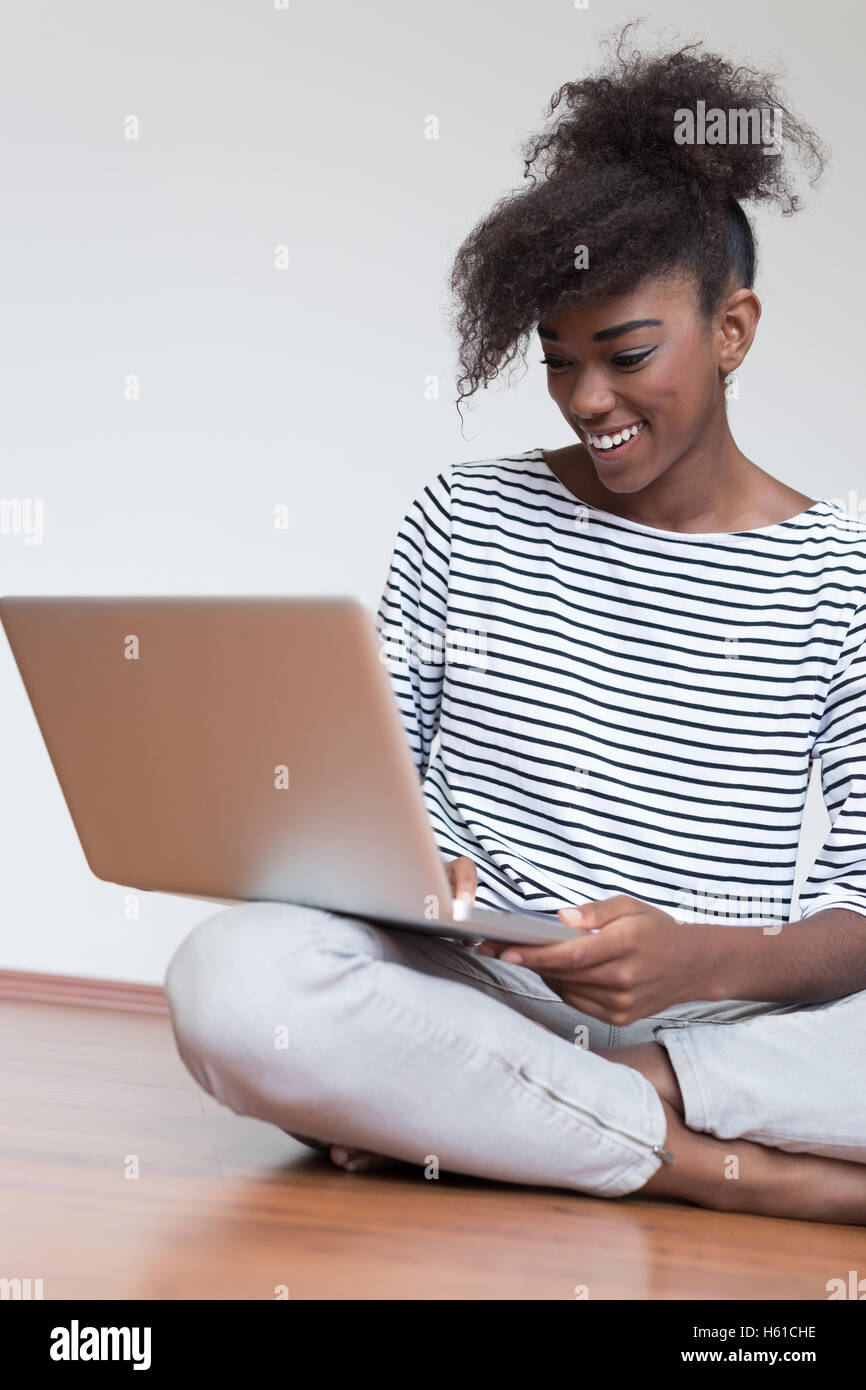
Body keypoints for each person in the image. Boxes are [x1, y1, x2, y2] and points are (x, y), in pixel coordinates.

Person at [165, 22, 866, 1222]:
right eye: (556, 359)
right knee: (236, 980)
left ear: (732, 331)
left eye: (626, 353)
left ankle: (499, 1116)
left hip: (711, 1019)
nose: (588, 398)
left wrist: (693, 963)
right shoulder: (466, 513)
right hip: (467, 992)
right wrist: (406, 877)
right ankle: (709, 1164)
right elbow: (372, 788)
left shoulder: (839, 569)